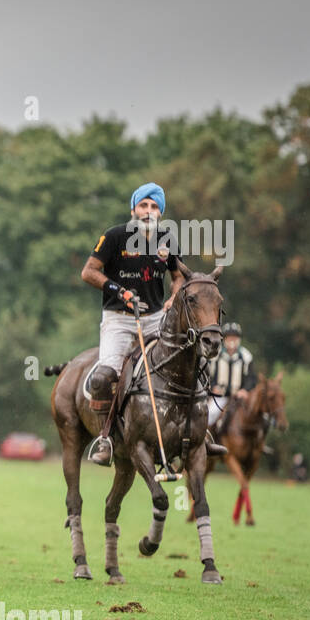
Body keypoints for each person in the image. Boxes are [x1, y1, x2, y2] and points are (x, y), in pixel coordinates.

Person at [80, 181, 226, 465]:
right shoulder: (114, 236)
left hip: (156, 319)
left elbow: (179, 276)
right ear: (133, 208)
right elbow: (89, 271)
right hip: (119, 320)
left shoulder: (167, 240)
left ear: (160, 213)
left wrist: (173, 298)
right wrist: (119, 291)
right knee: (103, 378)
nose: (148, 211)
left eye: (154, 207)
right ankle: (106, 439)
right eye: (144, 205)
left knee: (191, 362)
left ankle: (200, 433)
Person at [208, 322, 255, 437]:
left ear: (239, 339)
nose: (232, 340)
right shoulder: (215, 355)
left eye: (234, 337)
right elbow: (208, 374)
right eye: (229, 337)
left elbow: (251, 378)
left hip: (238, 397)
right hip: (220, 396)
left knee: (254, 416)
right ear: (224, 339)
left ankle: (257, 443)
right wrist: (213, 387)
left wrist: (245, 390)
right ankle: (206, 441)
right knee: (209, 414)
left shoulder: (246, 356)